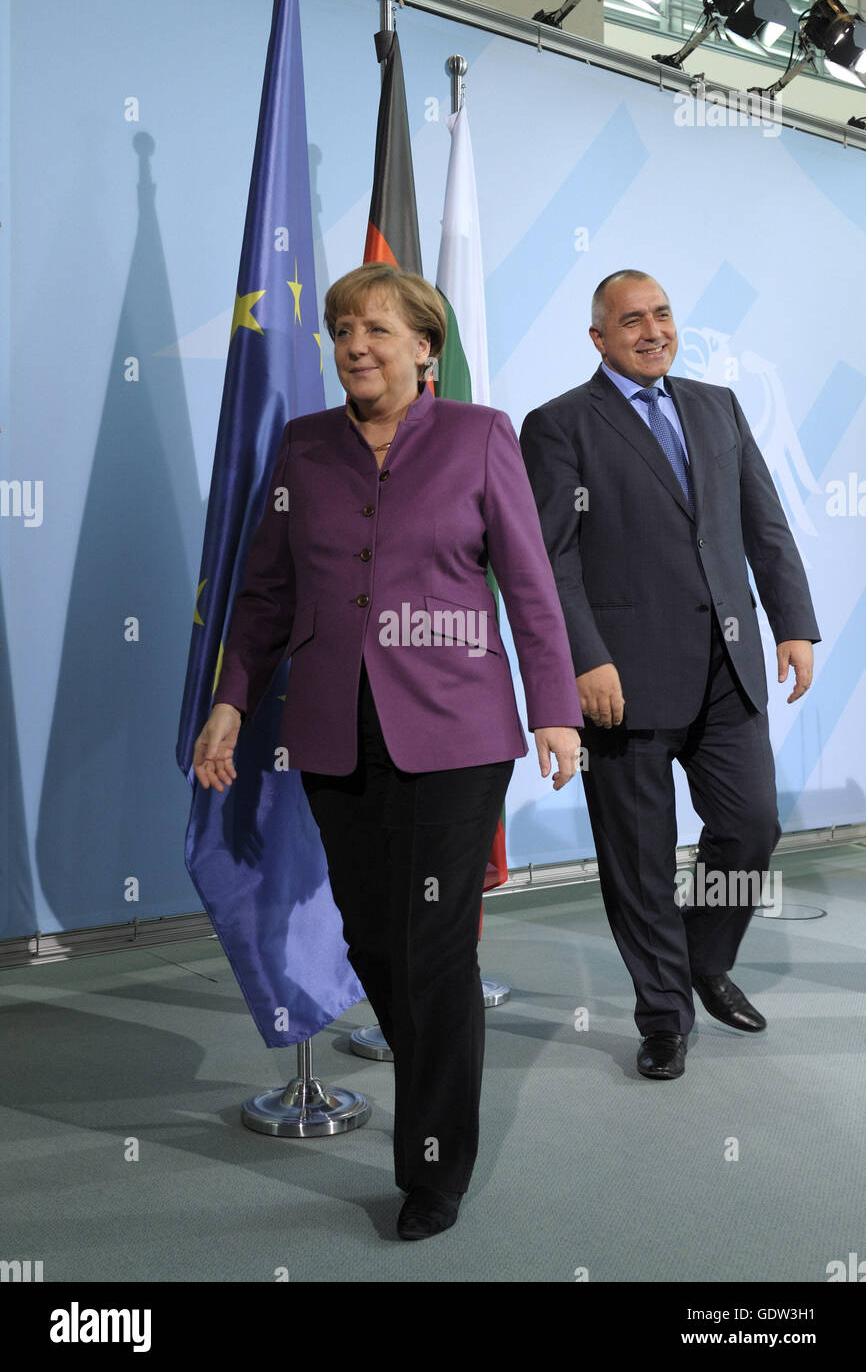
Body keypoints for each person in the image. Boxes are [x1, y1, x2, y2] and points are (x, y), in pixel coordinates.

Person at [193, 263, 582, 1238]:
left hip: (456, 732)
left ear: (423, 346)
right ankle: (443, 1063)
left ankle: (432, 1168)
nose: (354, 345)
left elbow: (529, 586)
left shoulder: (480, 436)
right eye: (340, 330)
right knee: (372, 937)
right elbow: (266, 593)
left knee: (434, 942)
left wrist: (555, 707)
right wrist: (232, 700)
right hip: (333, 731)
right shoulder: (303, 446)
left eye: (373, 328)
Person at [520, 269, 820, 1081]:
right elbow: (550, 561)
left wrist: (792, 623)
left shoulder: (718, 406)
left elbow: (763, 521)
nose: (652, 330)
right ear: (598, 338)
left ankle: (702, 958)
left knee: (751, 827)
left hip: (729, 667)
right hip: (621, 683)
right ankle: (663, 1018)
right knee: (640, 861)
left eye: (661, 314)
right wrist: (585, 658)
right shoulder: (558, 425)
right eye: (631, 320)